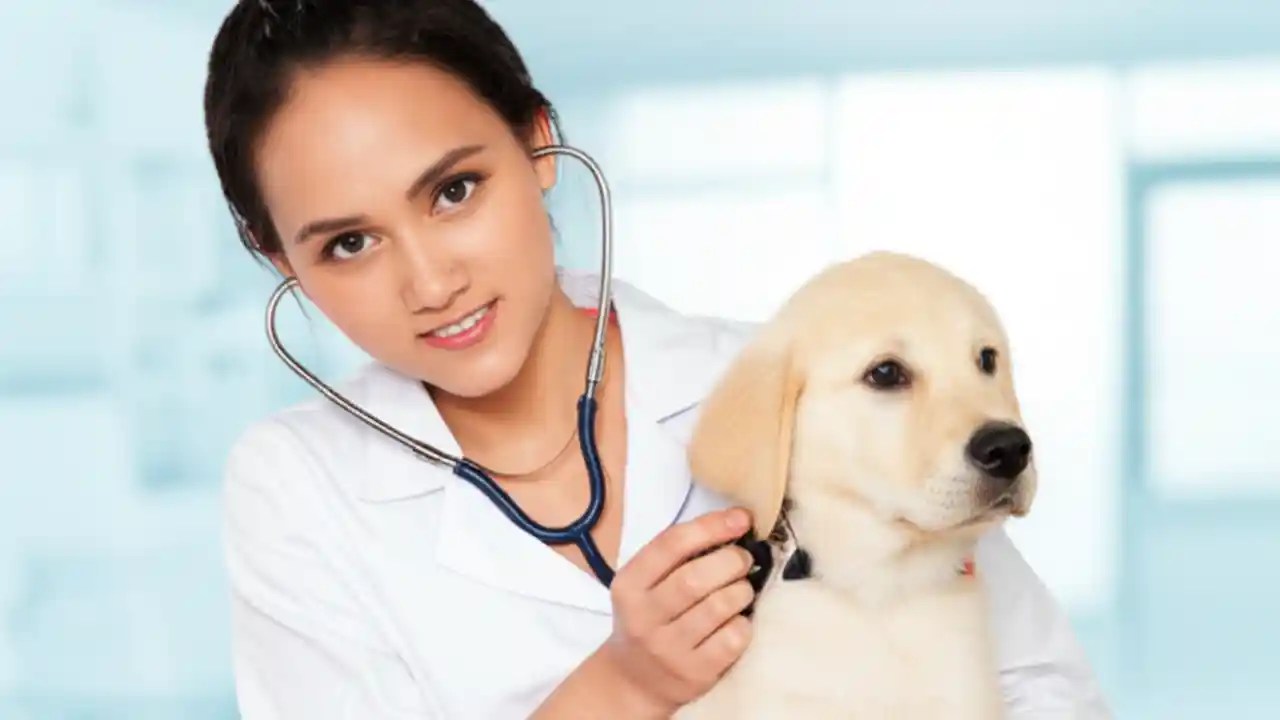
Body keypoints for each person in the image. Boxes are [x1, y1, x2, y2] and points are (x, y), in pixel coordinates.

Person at [203, 1, 1112, 718]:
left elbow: (1037, 688)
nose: (431, 281)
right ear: (278, 257)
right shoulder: (299, 489)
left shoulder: (790, 383)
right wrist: (626, 689)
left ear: (538, 140)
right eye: (350, 244)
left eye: (454, 190)